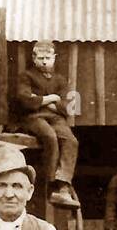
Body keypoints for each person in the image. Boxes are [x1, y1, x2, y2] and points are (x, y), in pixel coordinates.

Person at [15, 40, 81, 209]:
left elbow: (67, 106)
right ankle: (52, 184)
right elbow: (24, 100)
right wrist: (51, 98)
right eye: (41, 58)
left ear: (54, 58)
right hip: (33, 117)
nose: (44, 61)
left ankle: (63, 182)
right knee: (49, 137)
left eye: (48, 58)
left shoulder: (60, 80)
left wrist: (41, 101)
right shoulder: (26, 76)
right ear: (34, 58)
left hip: (55, 118)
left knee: (70, 140)